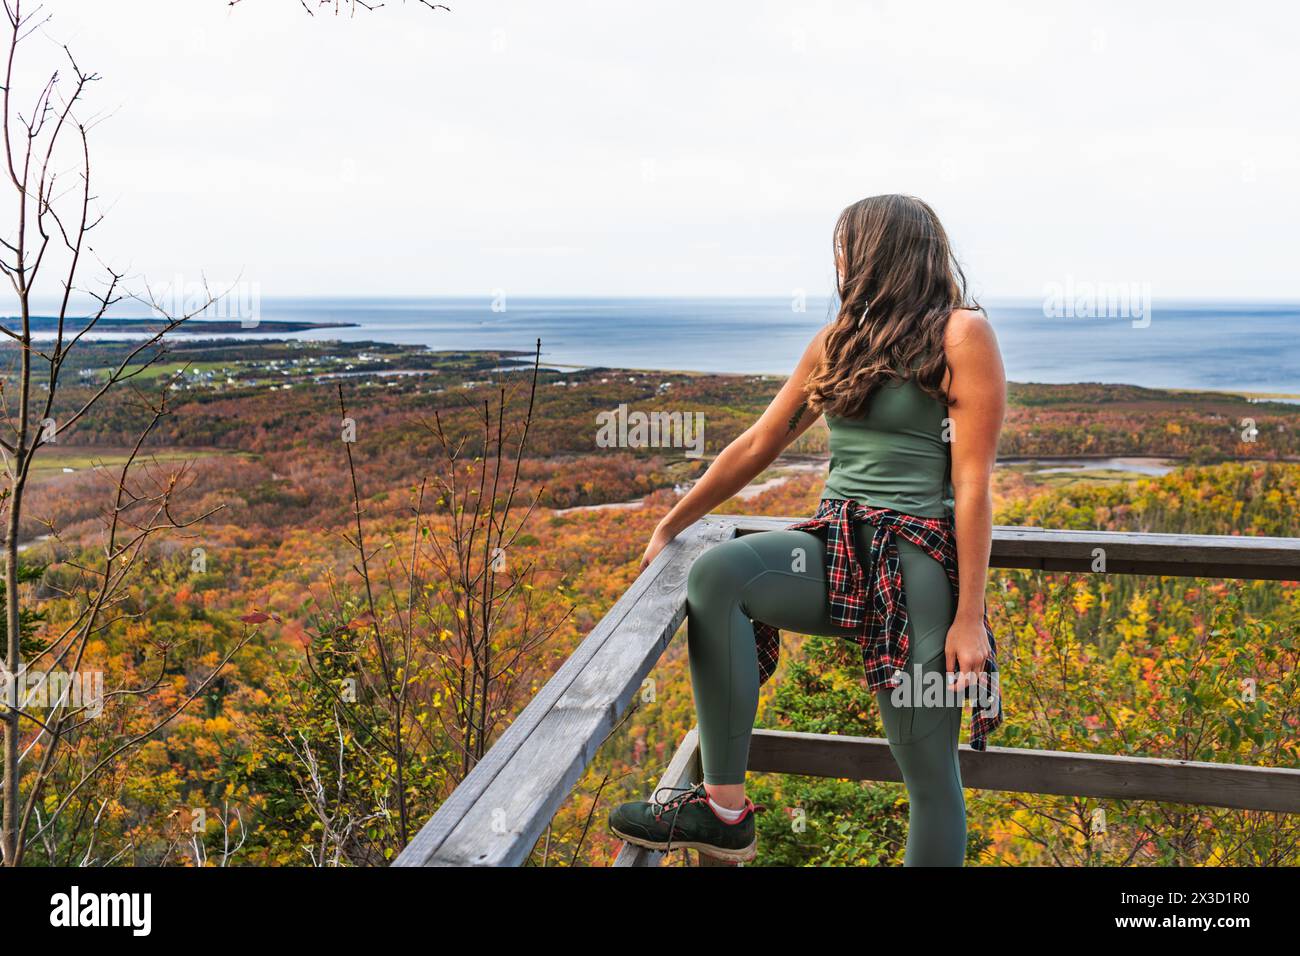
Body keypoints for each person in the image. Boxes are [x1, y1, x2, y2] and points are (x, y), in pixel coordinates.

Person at [608, 194, 1006, 866]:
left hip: (914, 567)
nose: (840, 260)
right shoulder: (838, 343)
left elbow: (972, 487)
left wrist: (970, 618)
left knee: (930, 777)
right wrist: (674, 520)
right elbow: (761, 440)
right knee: (719, 575)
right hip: (837, 547)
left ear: (884, 251)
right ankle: (721, 808)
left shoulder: (961, 335)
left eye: (848, 245)